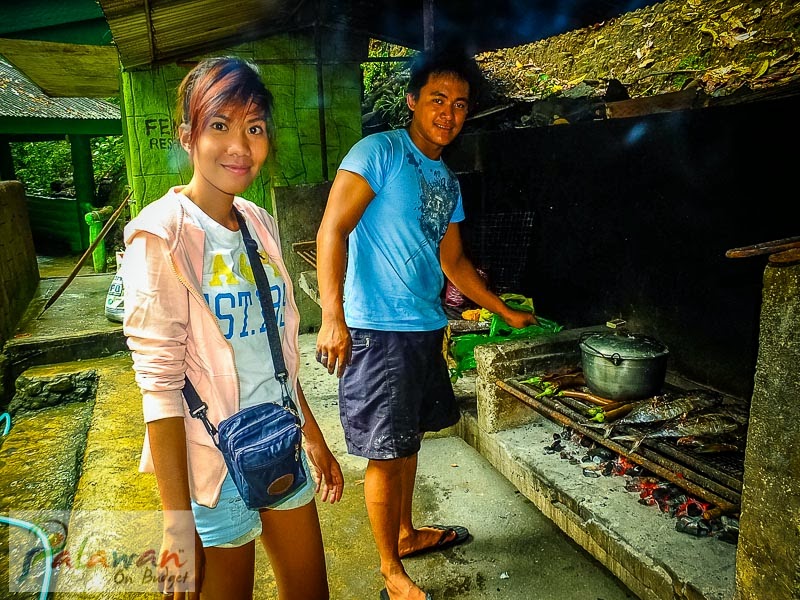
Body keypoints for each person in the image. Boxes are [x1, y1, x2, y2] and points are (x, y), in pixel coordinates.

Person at [314, 46, 536, 600]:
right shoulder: (378, 152)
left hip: (422, 326)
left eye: (460, 104)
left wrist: (502, 308)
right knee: (385, 453)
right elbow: (332, 230)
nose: (449, 114)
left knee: (405, 442)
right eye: (438, 99)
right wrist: (332, 316)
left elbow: (453, 262)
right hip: (377, 329)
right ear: (412, 101)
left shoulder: (446, 180)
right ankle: (391, 572)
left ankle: (408, 534)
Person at [122, 56, 343, 600]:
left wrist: (313, 437)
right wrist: (176, 523)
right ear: (188, 136)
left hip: (277, 437)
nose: (239, 145)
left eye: (254, 127)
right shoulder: (161, 235)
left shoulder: (259, 224)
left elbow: (278, 355)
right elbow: (159, 387)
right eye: (219, 125)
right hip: (213, 465)